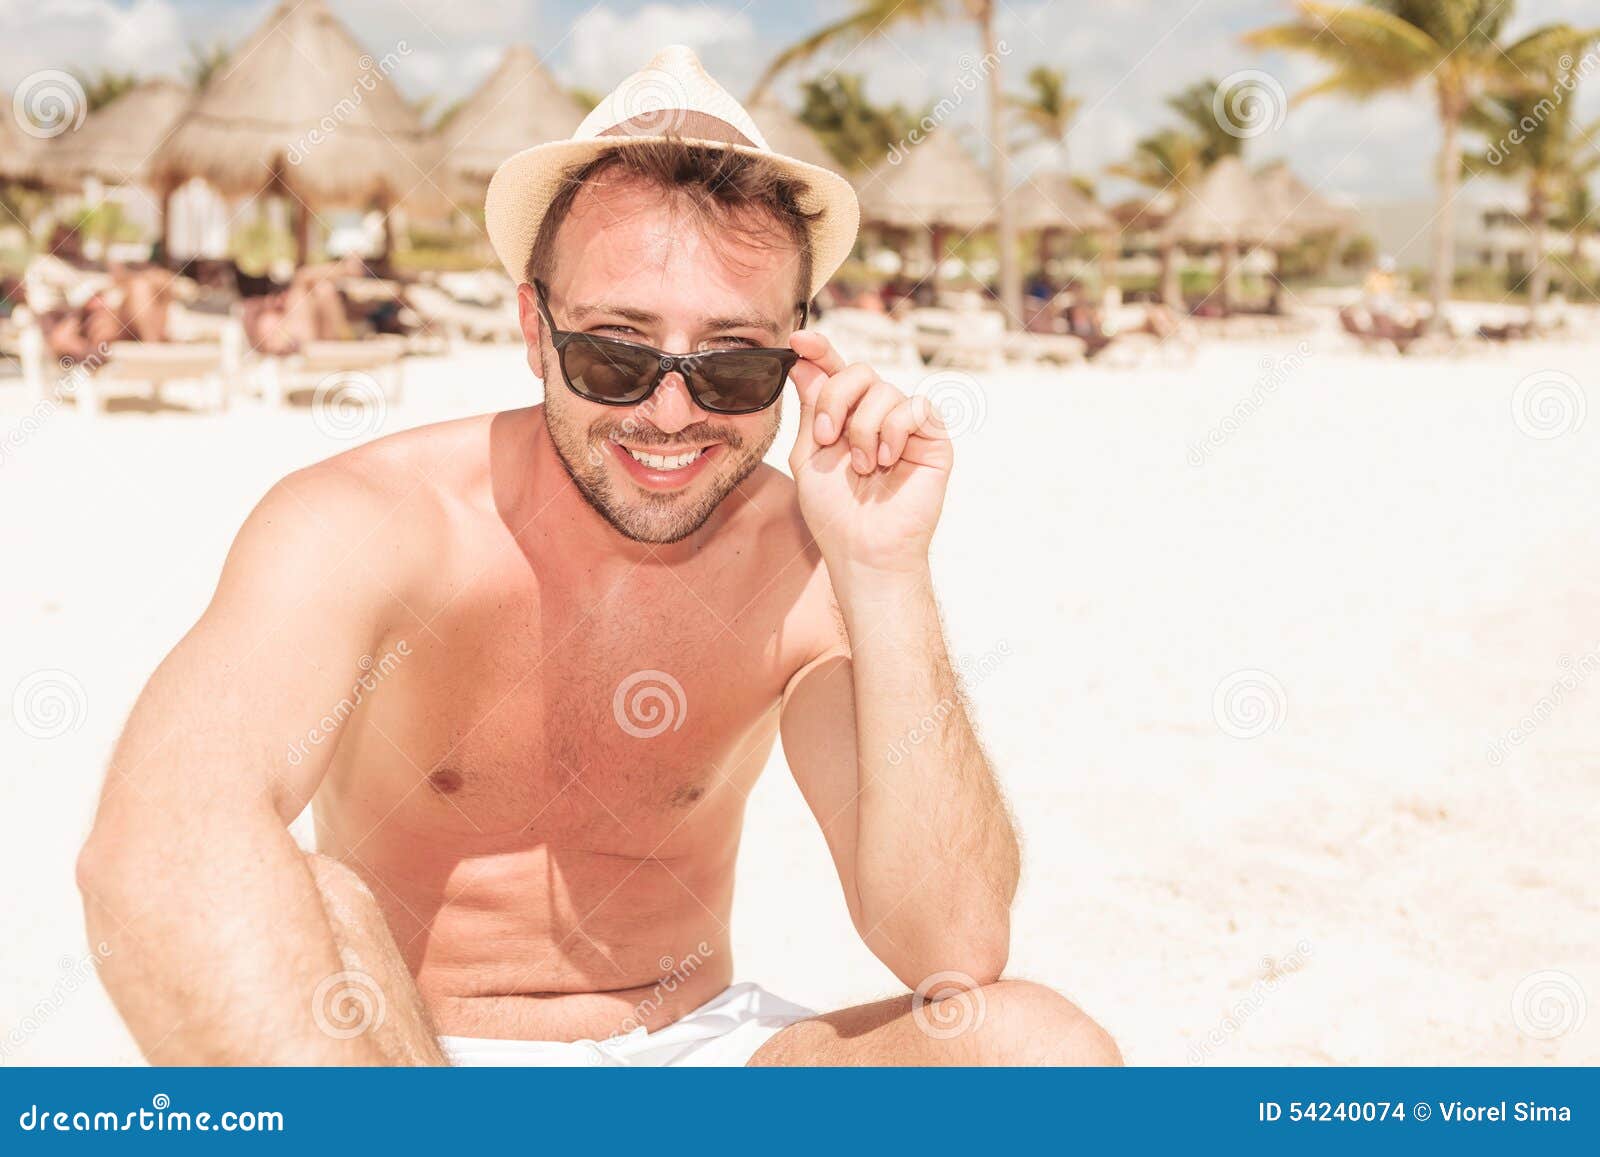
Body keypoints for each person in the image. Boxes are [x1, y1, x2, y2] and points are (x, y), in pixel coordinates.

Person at [78, 45, 1119, 1068]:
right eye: (615, 352)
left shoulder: (804, 561)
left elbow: (951, 944)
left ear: (798, 354)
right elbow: (161, 843)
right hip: (404, 1056)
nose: (669, 414)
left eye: (732, 364)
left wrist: (886, 571)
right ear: (535, 330)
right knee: (320, 896)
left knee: (1035, 1048)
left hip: (694, 1051)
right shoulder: (369, 524)